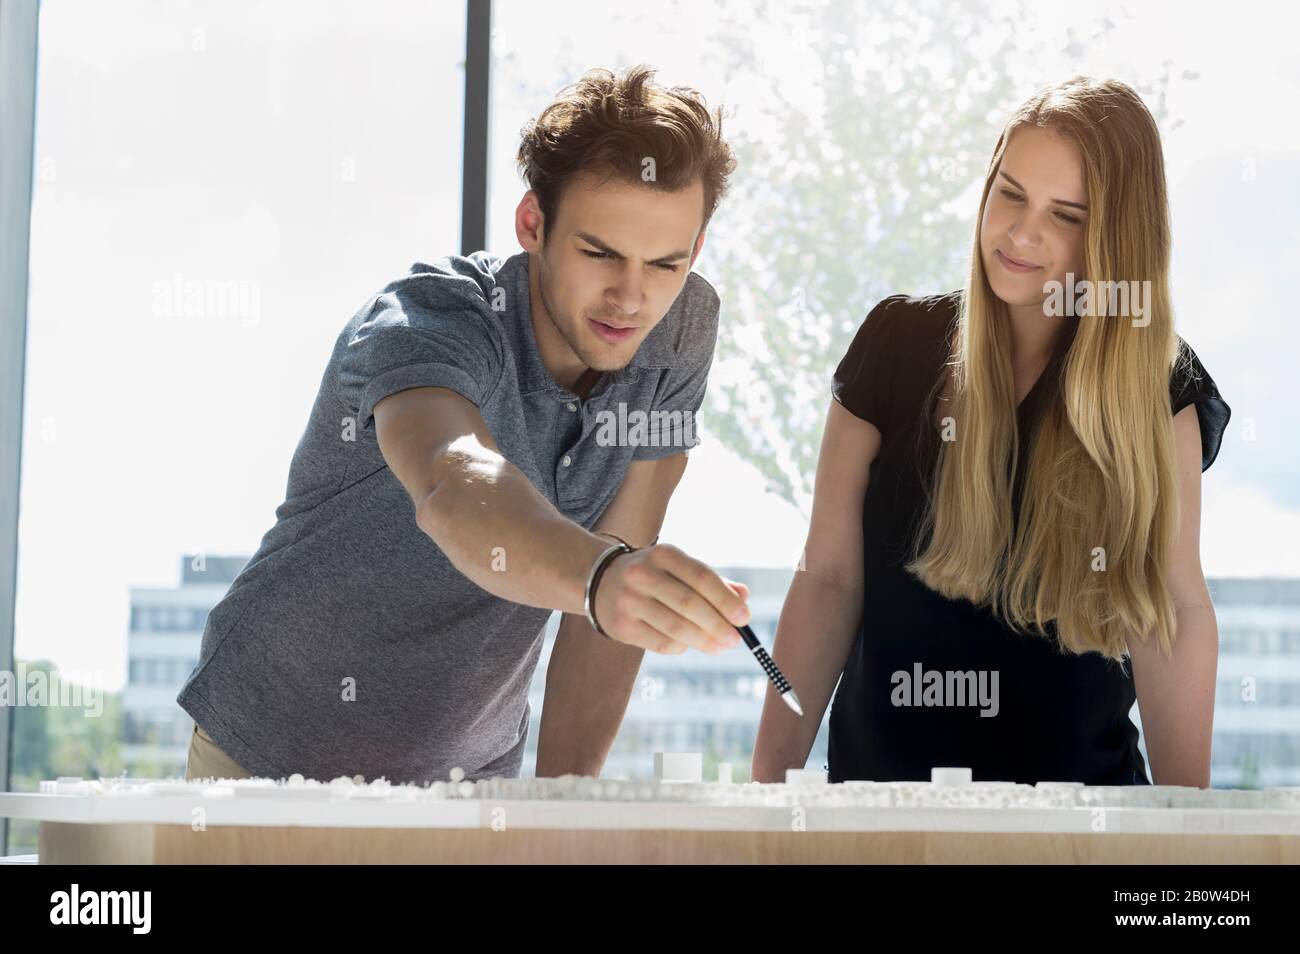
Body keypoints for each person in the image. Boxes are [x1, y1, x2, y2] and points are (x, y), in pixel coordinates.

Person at [179, 65, 751, 784]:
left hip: (469, 770)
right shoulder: (433, 318)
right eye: (599, 253)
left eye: (665, 263)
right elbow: (456, 483)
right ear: (532, 224)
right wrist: (605, 575)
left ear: (694, 253)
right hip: (276, 745)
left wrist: (561, 807)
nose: (631, 298)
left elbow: (610, 601)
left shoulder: (679, 335)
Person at [752, 77, 1230, 787]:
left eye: (1065, 215)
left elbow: (1174, 607)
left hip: (1083, 822)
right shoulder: (896, 343)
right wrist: (766, 788)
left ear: (1115, 238)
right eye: (1009, 193)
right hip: (879, 812)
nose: (1020, 233)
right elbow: (827, 578)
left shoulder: (1160, 387)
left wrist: (1186, 834)